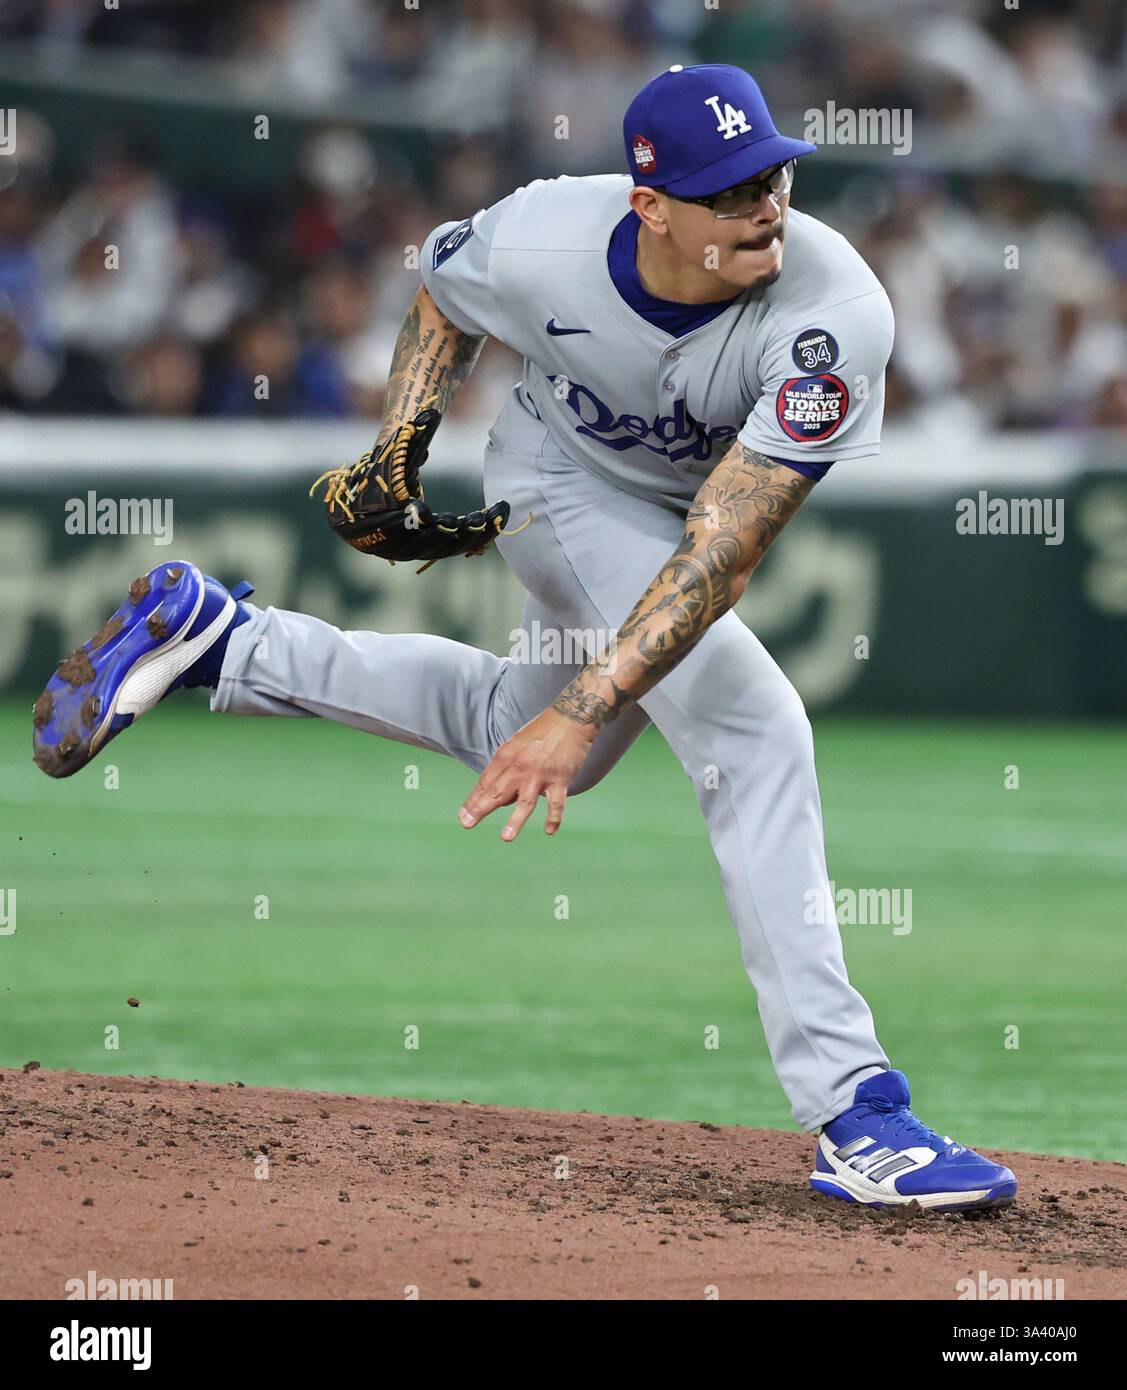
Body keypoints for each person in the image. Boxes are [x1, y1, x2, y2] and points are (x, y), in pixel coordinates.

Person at [33, 64, 1016, 1212]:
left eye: (774, 172)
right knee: (751, 729)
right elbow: (447, 294)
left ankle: (221, 641)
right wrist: (397, 445)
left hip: (681, 523)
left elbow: (723, 550)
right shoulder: (543, 232)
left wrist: (578, 708)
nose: (766, 204)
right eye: (730, 186)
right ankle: (858, 1113)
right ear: (649, 205)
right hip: (554, 481)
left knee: (525, 725)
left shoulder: (831, 309)